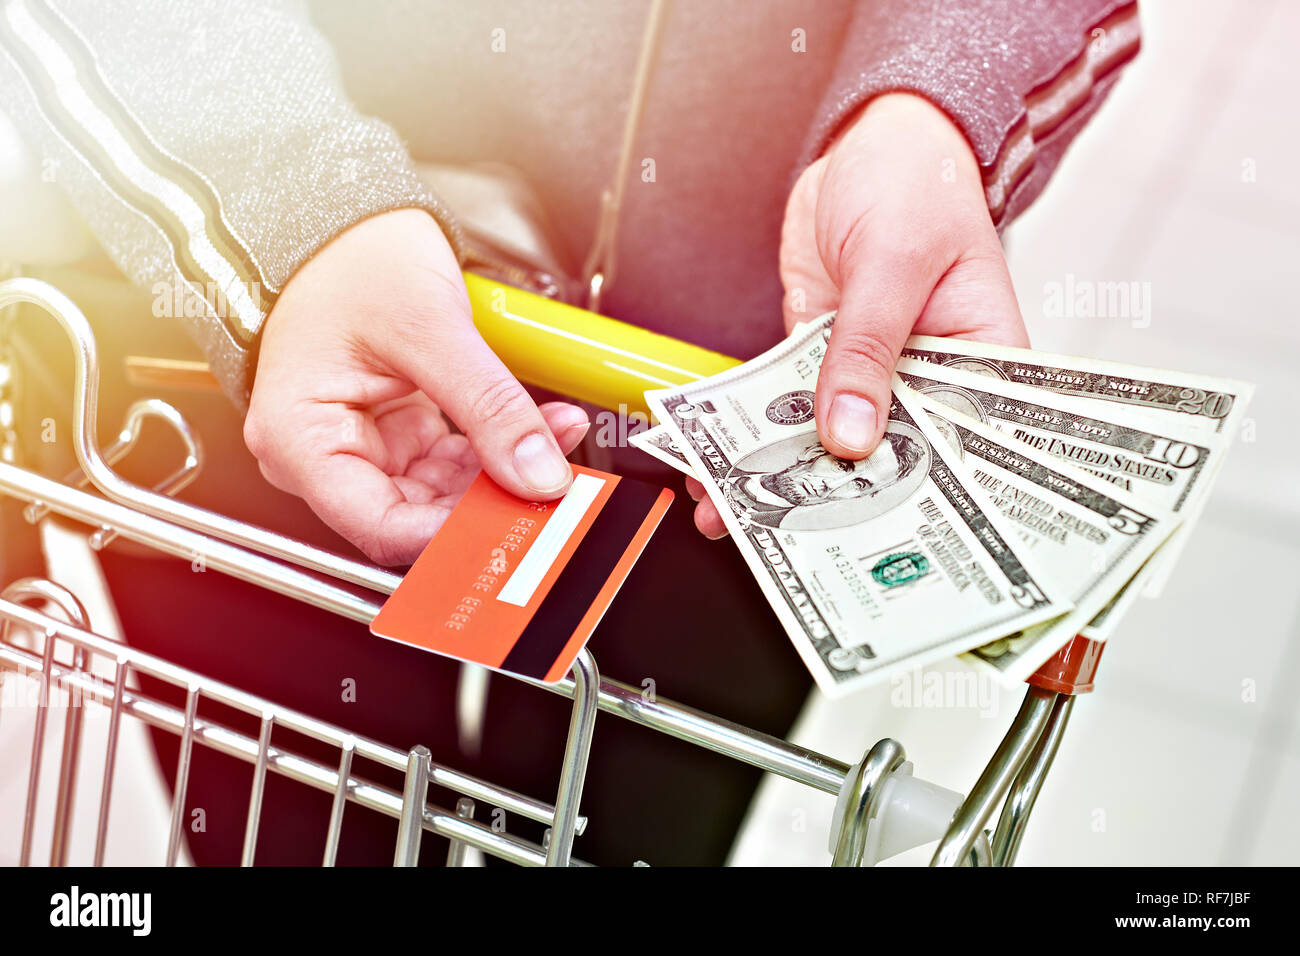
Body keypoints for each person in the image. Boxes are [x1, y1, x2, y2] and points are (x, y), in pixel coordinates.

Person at [0, 0, 1140, 865]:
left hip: (735, 411)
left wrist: (925, 108)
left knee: (622, 833)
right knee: (294, 820)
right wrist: (292, 216)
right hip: (297, 364)